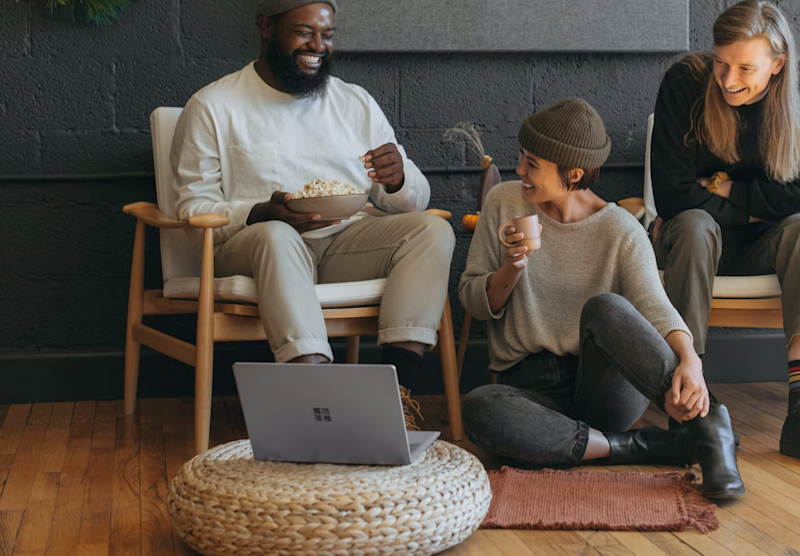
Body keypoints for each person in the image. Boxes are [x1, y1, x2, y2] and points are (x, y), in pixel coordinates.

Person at [169, 0, 455, 429]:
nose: (317, 46)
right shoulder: (214, 105)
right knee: (276, 235)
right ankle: (322, 403)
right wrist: (261, 211)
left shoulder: (354, 103)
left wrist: (397, 180)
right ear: (267, 28)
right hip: (254, 250)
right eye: (304, 32)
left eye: (327, 35)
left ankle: (396, 400)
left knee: (431, 230)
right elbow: (192, 210)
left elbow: (410, 200)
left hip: (345, 244)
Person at [459, 98, 744, 498]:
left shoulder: (620, 229)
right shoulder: (503, 202)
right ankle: (638, 447)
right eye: (521, 158)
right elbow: (473, 300)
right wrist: (511, 267)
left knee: (606, 308)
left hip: (604, 388)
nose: (520, 170)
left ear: (573, 173)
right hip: (529, 390)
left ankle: (708, 426)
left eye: (533, 164)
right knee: (480, 407)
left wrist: (691, 361)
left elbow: (655, 306)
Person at [650, 0, 800, 458]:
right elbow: (674, 196)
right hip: (688, 245)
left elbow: (796, 198)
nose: (729, 80)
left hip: (765, 248)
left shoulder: (792, 106)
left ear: (777, 65)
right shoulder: (684, 84)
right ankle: (690, 402)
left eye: (745, 68)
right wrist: (758, 202)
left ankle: (799, 407)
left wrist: (722, 186)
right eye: (721, 63)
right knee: (696, 225)